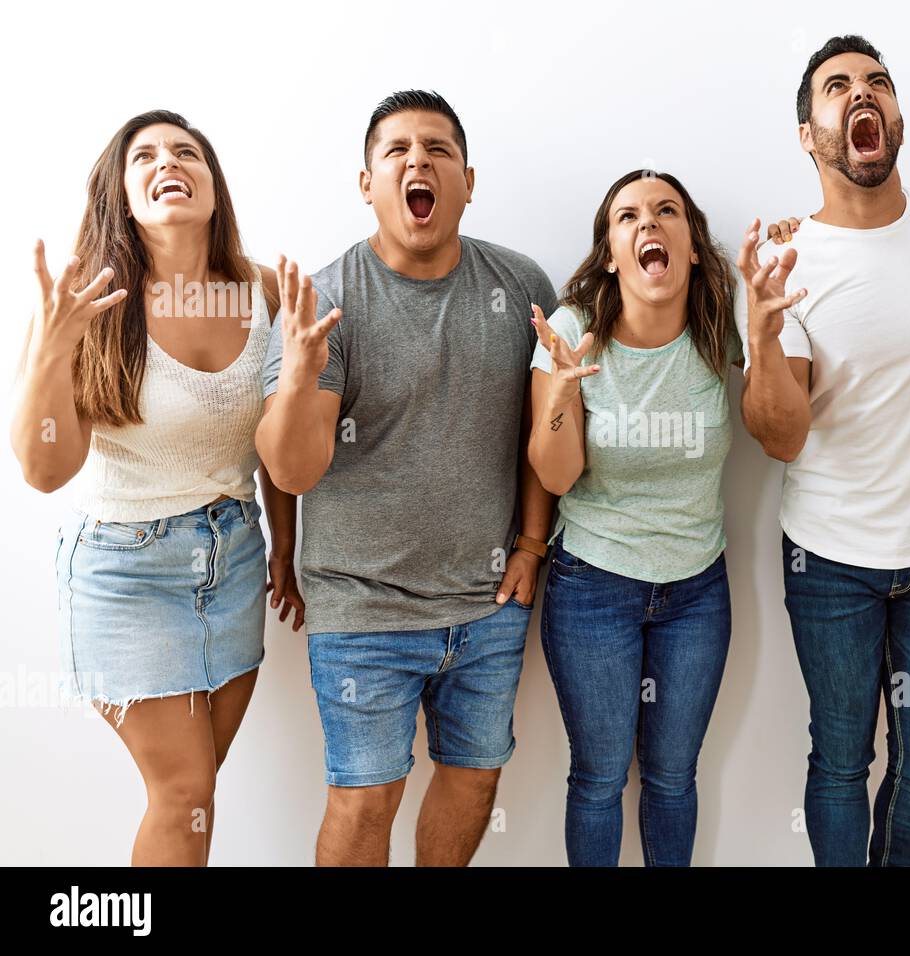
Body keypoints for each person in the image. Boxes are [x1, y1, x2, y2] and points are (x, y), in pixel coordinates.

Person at [257, 90, 557, 867]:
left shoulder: (522, 288)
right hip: (362, 607)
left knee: (473, 781)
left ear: (467, 179)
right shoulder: (325, 302)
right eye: (396, 150)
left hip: (486, 604)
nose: (417, 161)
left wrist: (530, 544)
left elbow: (542, 433)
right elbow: (294, 467)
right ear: (367, 183)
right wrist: (297, 377)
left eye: (438, 150)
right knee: (364, 803)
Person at [736, 35, 910, 866]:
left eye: (878, 84)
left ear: (894, 117)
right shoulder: (792, 261)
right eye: (837, 87)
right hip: (832, 559)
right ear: (810, 135)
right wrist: (764, 334)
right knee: (842, 759)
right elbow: (782, 435)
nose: (863, 95)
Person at [11, 110, 305, 866]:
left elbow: (277, 442)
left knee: (192, 798)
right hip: (124, 570)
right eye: (143, 155)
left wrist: (285, 550)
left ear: (213, 185)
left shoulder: (260, 288)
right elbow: (45, 470)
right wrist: (52, 349)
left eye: (186, 151)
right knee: (185, 796)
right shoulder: (87, 303)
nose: (167, 161)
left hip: (234, 558)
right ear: (121, 194)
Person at [528, 169, 739, 866]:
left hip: (697, 591)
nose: (648, 224)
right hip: (593, 586)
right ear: (612, 253)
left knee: (674, 779)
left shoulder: (720, 322)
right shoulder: (569, 332)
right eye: (628, 217)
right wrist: (559, 393)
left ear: (694, 246)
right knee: (599, 778)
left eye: (666, 211)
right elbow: (556, 475)